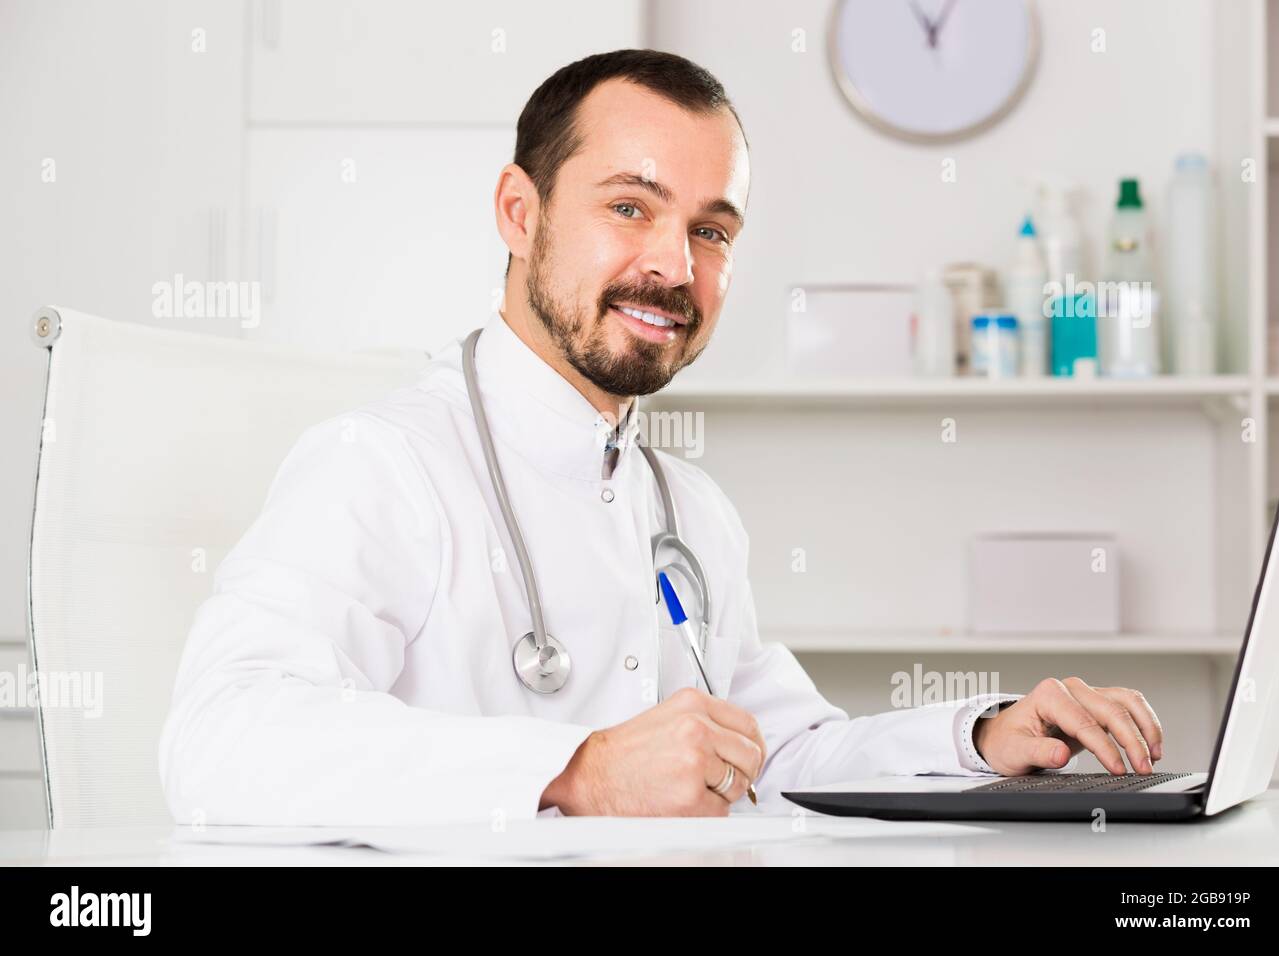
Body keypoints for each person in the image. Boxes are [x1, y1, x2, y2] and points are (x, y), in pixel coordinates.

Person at [159, 50, 1164, 825]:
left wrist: (984, 735)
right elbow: (217, 739)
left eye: (711, 230)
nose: (673, 266)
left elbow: (778, 752)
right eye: (629, 207)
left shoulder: (689, 508)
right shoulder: (380, 463)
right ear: (520, 211)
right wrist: (576, 771)